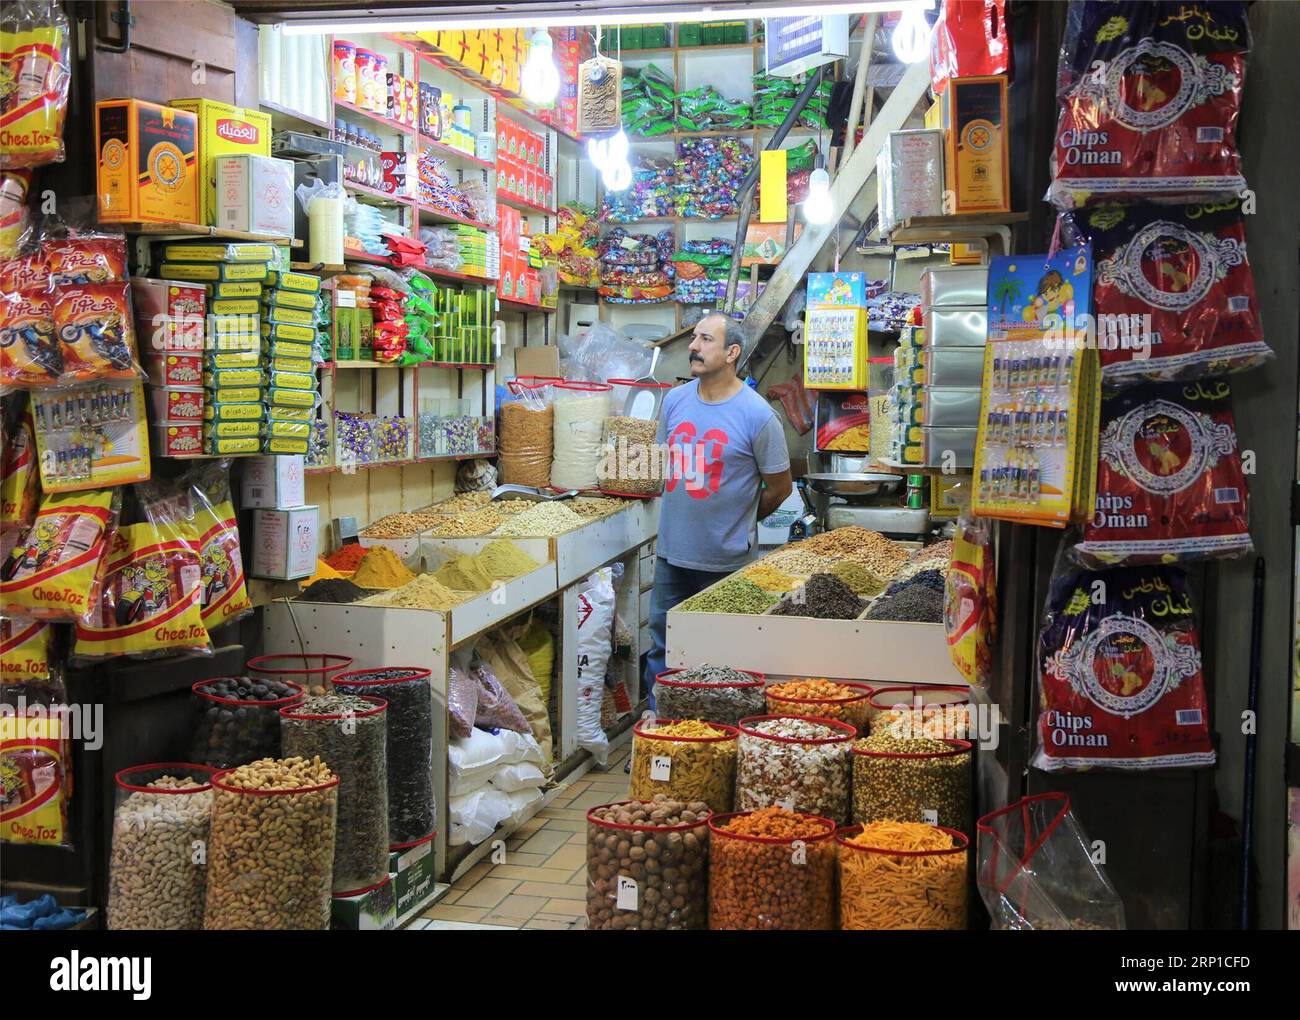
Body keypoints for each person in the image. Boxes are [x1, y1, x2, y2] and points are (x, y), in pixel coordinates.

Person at [644, 311, 793, 712]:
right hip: (672, 555)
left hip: (728, 562)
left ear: (732, 353)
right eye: (694, 338)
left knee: (725, 653)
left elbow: (780, 487)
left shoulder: (758, 415)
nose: (693, 347)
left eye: (705, 339)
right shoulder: (674, 402)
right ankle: (662, 727)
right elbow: (663, 469)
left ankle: (721, 732)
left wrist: (741, 523)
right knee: (665, 645)